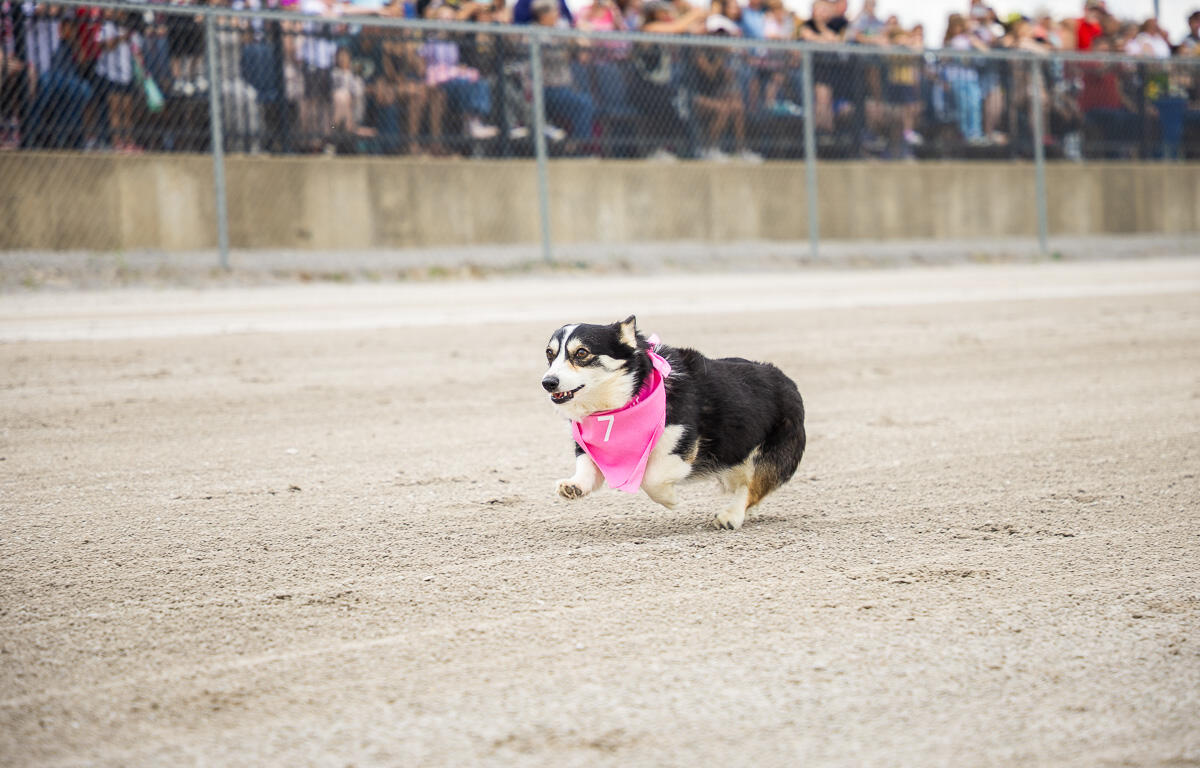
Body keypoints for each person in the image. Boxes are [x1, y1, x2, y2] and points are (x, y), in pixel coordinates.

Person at [689, 14, 760, 161]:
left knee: (738, 107)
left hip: (714, 95)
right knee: (723, 109)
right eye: (716, 35)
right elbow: (710, 73)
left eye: (722, 36)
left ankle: (741, 149)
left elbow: (728, 79)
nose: (719, 39)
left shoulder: (724, 54)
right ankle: (709, 149)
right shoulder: (699, 51)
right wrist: (721, 56)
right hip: (694, 96)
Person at [530, 0, 595, 153]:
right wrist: (568, 41)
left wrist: (580, 34)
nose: (557, 15)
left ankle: (576, 144)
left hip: (564, 88)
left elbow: (583, 56)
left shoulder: (559, 30)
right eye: (553, 11)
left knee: (585, 102)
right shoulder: (534, 32)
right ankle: (577, 146)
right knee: (584, 103)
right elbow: (553, 55)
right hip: (546, 89)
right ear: (542, 15)